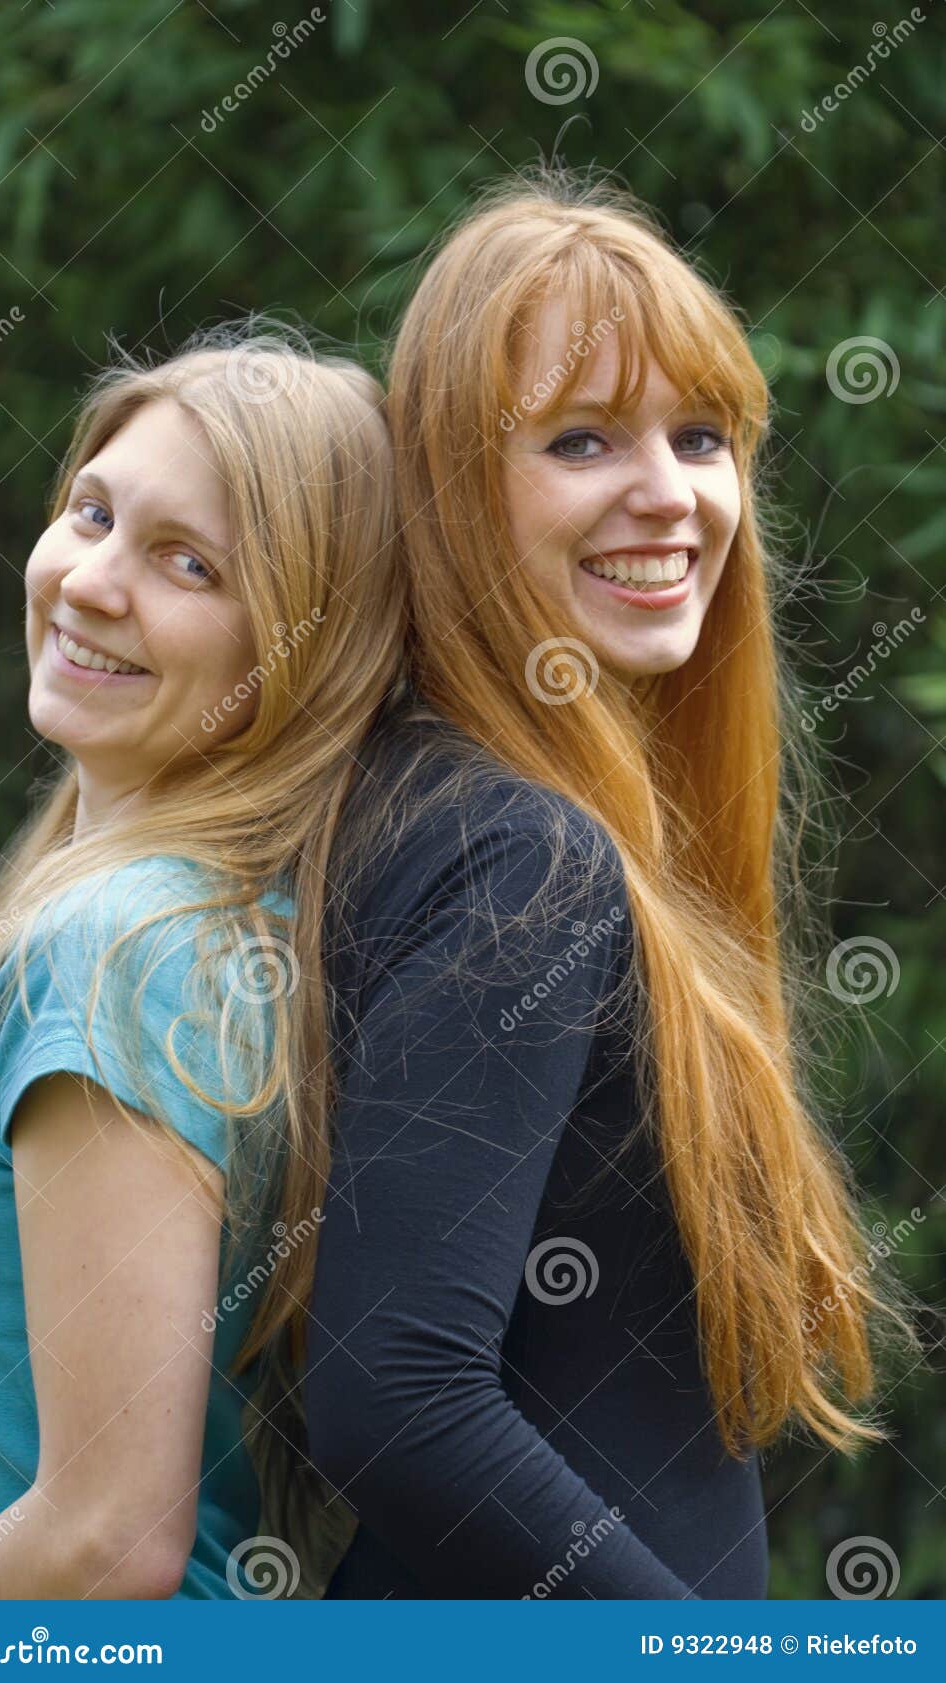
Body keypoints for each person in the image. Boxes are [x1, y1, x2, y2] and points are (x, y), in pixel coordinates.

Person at [302, 171, 928, 1599]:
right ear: (453, 494)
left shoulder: (468, 809)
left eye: (698, 435)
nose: (669, 493)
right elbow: (391, 1398)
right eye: (580, 439)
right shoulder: (514, 850)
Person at [0, 328, 404, 1599]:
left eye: (188, 563)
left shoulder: (122, 948)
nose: (92, 582)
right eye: (91, 512)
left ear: (302, 648)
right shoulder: (203, 920)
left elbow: (110, 1534)